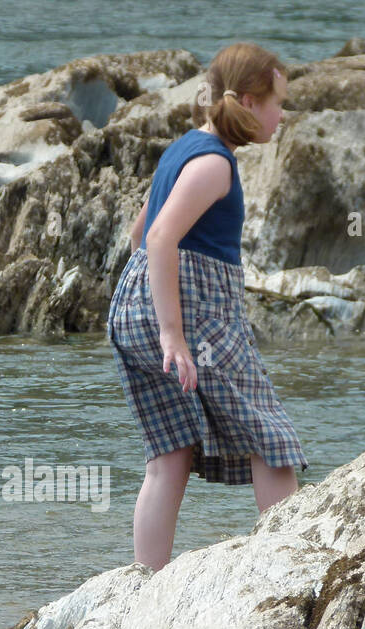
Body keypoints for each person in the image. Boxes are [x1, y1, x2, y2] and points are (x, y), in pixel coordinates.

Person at [106, 41, 308, 572]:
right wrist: (172, 333)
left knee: (169, 454)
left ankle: (145, 580)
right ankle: (285, 566)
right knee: (271, 437)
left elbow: (139, 233)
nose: (282, 114)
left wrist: (150, 306)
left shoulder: (184, 147)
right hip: (195, 315)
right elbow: (161, 238)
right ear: (246, 100)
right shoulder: (215, 166)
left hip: (135, 306)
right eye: (277, 102)